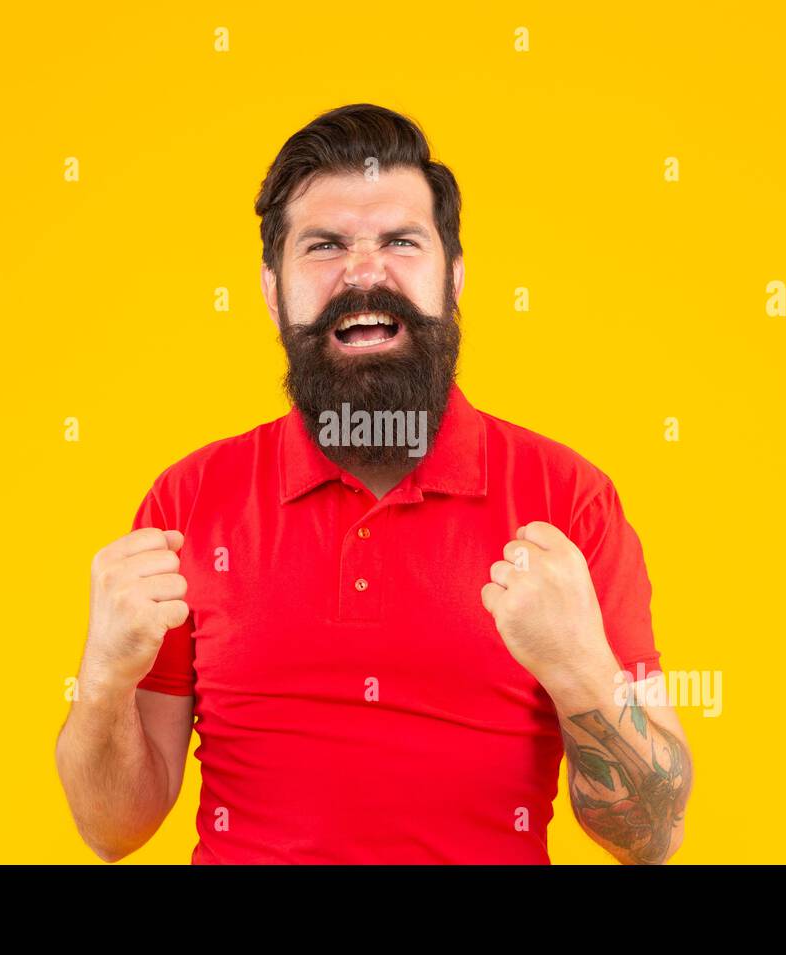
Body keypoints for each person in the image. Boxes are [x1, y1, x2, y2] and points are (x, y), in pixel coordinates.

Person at [55, 103, 693, 864]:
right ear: (271, 289)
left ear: (453, 276)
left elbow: (651, 837)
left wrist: (581, 667)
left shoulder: (569, 502)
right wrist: (101, 680)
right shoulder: (187, 504)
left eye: (400, 241)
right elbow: (112, 828)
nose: (364, 272)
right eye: (325, 245)